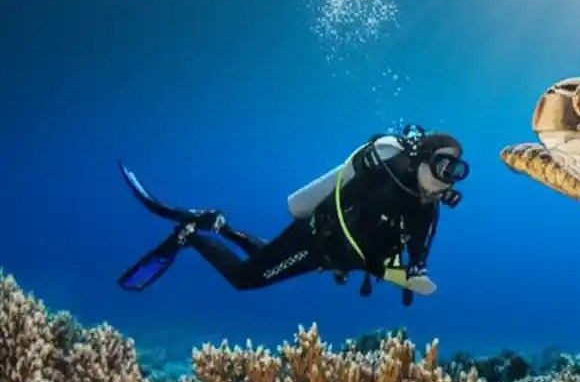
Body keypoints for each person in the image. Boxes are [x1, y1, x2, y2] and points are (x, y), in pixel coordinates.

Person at [117, 125, 468, 306]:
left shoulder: (427, 208)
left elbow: (419, 251)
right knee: (245, 279)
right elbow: (337, 208)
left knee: (264, 256)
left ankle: (219, 225)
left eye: (455, 171)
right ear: (422, 157)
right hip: (316, 240)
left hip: (328, 256)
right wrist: (377, 266)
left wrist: (413, 274)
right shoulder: (384, 174)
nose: (446, 178)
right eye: (442, 165)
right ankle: (191, 234)